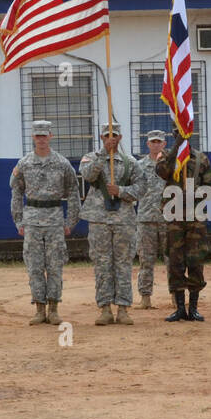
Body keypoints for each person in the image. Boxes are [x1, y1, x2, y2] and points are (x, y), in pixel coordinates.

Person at [11, 120, 81, 325]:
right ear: (33, 137)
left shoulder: (62, 163)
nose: (41, 139)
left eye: (44, 135)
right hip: (32, 219)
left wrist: (71, 221)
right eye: (37, 135)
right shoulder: (24, 163)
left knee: (55, 265)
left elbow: (74, 192)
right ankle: (39, 309)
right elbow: (16, 192)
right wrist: (18, 221)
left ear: (51, 136)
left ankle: (54, 308)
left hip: (54, 219)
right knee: (34, 266)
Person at [80, 122, 146, 325]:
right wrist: (103, 154)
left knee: (123, 264)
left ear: (120, 138)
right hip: (99, 219)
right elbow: (88, 175)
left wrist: (122, 191)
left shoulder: (130, 162)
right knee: (102, 264)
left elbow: (142, 187)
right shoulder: (91, 157)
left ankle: (123, 308)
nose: (111, 139)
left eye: (115, 135)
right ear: (101, 138)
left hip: (123, 220)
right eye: (107, 135)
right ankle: (105, 308)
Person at [157, 127, 211, 318]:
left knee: (196, 260)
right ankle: (179, 308)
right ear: (173, 136)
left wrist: (196, 194)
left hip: (195, 218)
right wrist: (175, 149)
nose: (180, 135)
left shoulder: (201, 158)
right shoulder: (166, 156)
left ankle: (193, 308)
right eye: (176, 133)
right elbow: (162, 172)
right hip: (174, 217)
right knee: (175, 261)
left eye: (183, 132)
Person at [134, 130, 168, 310]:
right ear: (148, 144)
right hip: (146, 219)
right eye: (153, 142)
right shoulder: (139, 166)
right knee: (146, 260)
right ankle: (145, 297)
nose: (156, 144)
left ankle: (175, 296)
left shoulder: (171, 165)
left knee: (172, 259)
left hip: (168, 218)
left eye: (159, 142)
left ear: (164, 144)